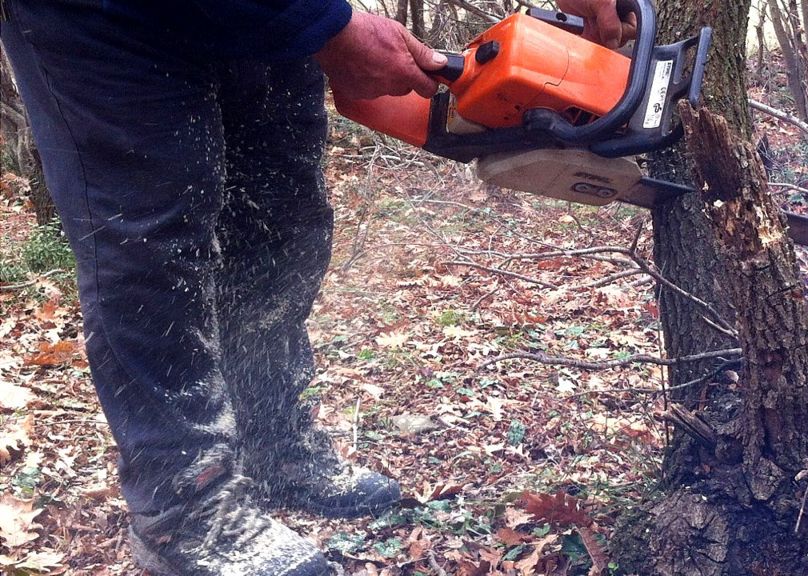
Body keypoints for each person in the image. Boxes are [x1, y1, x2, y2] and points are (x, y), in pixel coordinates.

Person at [0, 1, 631, 574]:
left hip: (261, 27)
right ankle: (184, 503)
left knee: (280, 224)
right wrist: (322, 24)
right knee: (152, 249)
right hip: (106, 21)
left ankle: (274, 444)